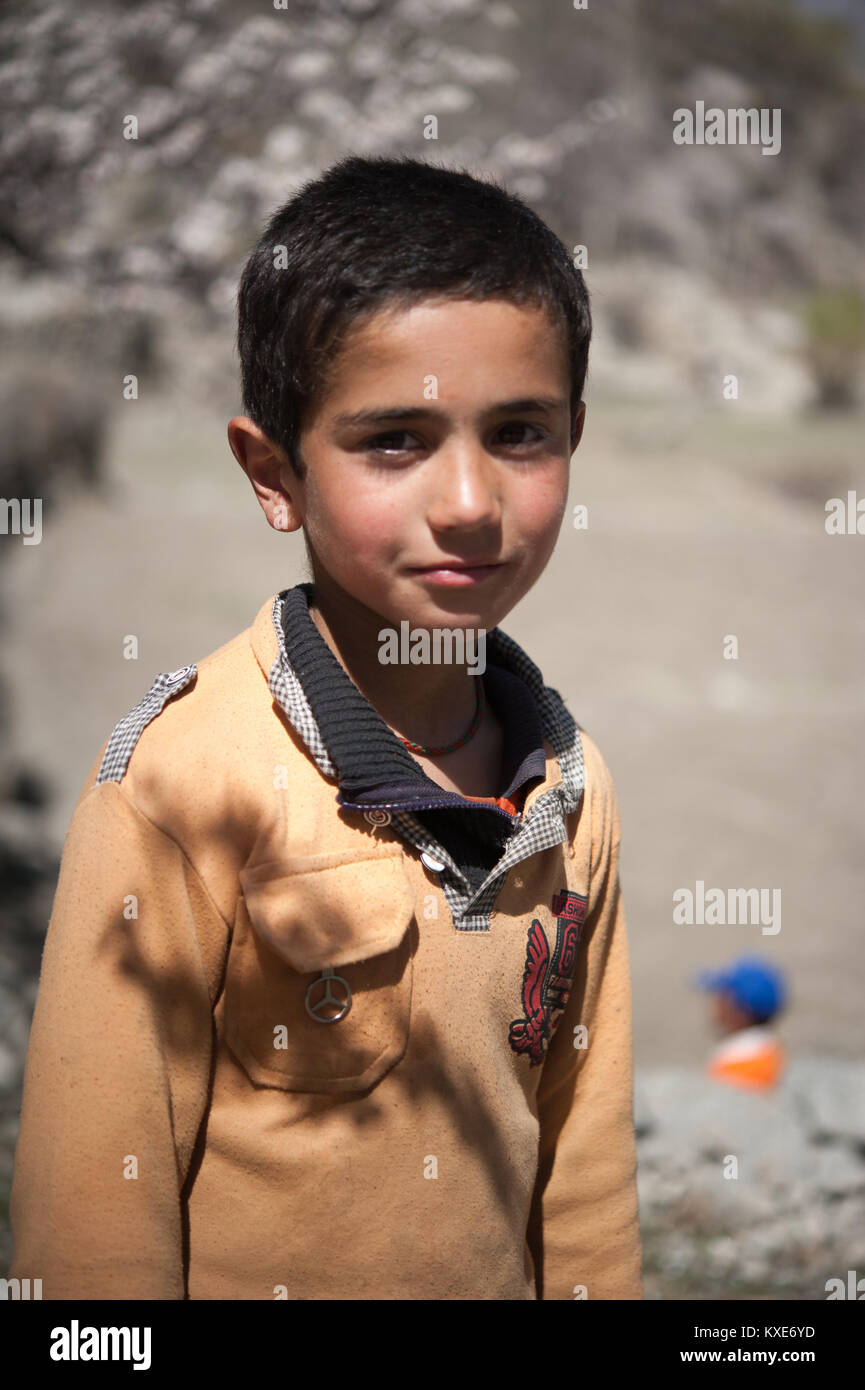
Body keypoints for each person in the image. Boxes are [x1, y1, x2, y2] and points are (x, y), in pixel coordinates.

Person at [9, 154, 641, 1300]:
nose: (467, 502)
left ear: (575, 437)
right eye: (394, 440)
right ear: (275, 472)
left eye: (520, 433)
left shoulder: (570, 788)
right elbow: (92, 1230)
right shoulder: (182, 782)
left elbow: (584, 1178)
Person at [696, 956, 788, 1092]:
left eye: (721, 997)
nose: (714, 1006)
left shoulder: (737, 1068)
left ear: (740, 1008)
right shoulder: (771, 1053)